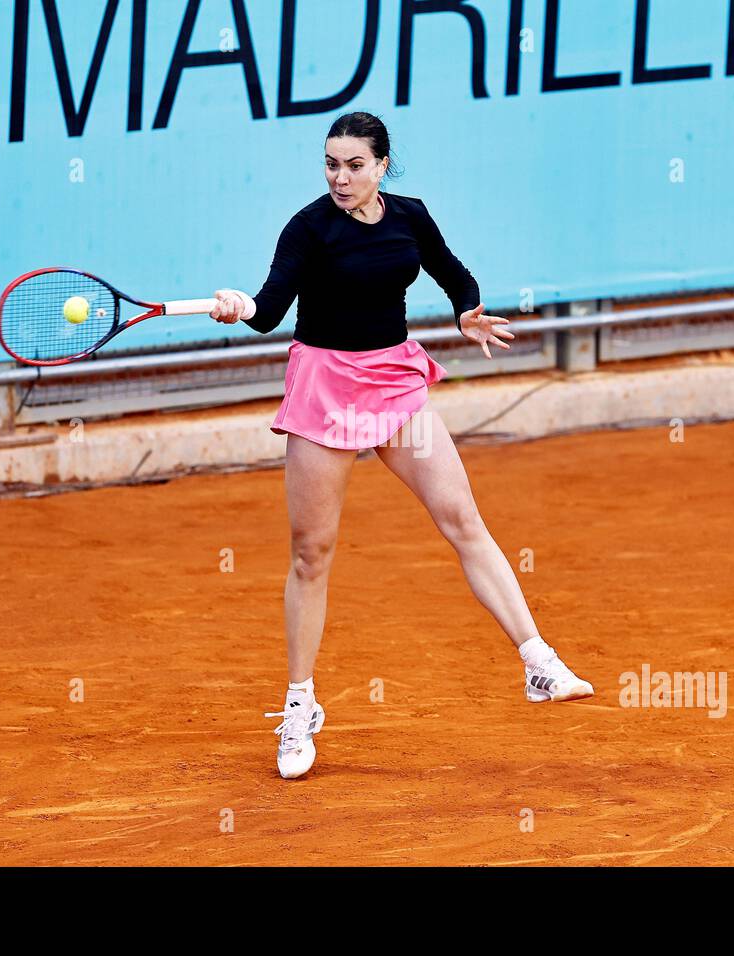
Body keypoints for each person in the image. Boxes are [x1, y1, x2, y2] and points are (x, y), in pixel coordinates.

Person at [210, 111, 593, 780]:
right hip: (326, 391)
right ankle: (299, 706)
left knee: (463, 520)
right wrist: (239, 306)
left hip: (394, 387)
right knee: (311, 554)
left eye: (354, 165)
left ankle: (538, 662)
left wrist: (468, 311)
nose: (340, 176)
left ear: (381, 165)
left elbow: (452, 273)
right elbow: (270, 309)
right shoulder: (308, 228)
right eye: (331, 163)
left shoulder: (409, 216)